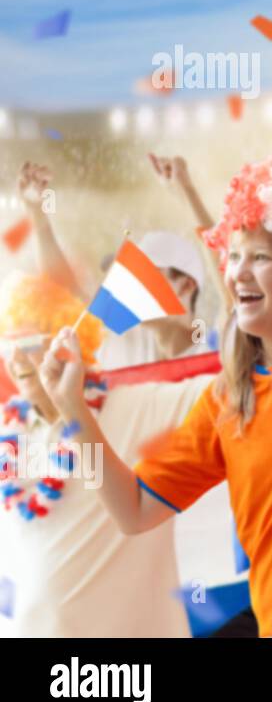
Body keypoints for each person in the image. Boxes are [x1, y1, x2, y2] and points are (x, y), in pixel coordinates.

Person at [36, 155, 272, 637]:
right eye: (234, 255)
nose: (239, 272)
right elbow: (131, 510)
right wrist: (73, 409)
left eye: (260, 257)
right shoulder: (228, 402)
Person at [0, 272, 207, 637]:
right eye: (6, 345)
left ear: (67, 345)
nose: (15, 358)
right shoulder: (9, 434)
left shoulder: (138, 407)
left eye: (28, 342)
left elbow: (224, 387)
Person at [15, 157, 221, 369]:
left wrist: (188, 192)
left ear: (186, 286)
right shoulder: (126, 339)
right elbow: (65, 292)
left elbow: (224, 270)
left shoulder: (213, 349)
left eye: (144, 275)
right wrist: (37, 215)